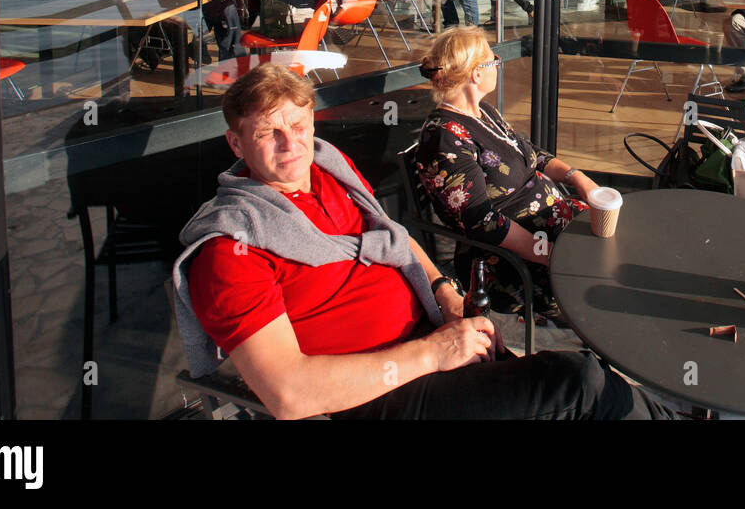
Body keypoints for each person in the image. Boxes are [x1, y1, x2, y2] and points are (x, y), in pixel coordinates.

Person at [173, 64, 677, 420]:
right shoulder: (229, 249)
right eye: (268, 133)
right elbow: (288, 393)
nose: (291, 145)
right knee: (579, 387)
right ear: (236, 143)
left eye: (299, 126)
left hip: (431, 342)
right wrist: (433, 354)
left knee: (584, 382)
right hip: (376, 397)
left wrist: (444, 292)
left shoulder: (329, 169)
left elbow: (393, 239)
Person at [413, 26, 596, 317]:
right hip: (511, 262)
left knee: (620, 241)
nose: (498, 64)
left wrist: (579, 179)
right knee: (605, 275)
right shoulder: (445, 139)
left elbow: (532, 155)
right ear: (476, 73)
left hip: (551, 226)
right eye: (493, 59)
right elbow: (482, 222)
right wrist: (549, 255)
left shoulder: (484, 113)